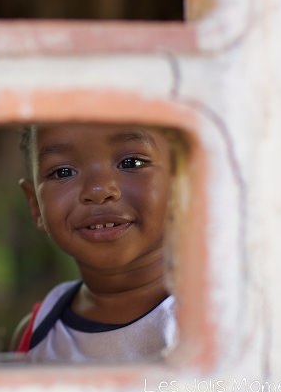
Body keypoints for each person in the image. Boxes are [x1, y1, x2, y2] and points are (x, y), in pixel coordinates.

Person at [12, 123, 177, 364]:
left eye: (131, 163)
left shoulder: (218, 323)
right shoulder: (34, 335)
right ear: (35, 206)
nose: (98, 190)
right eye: (63, 172)